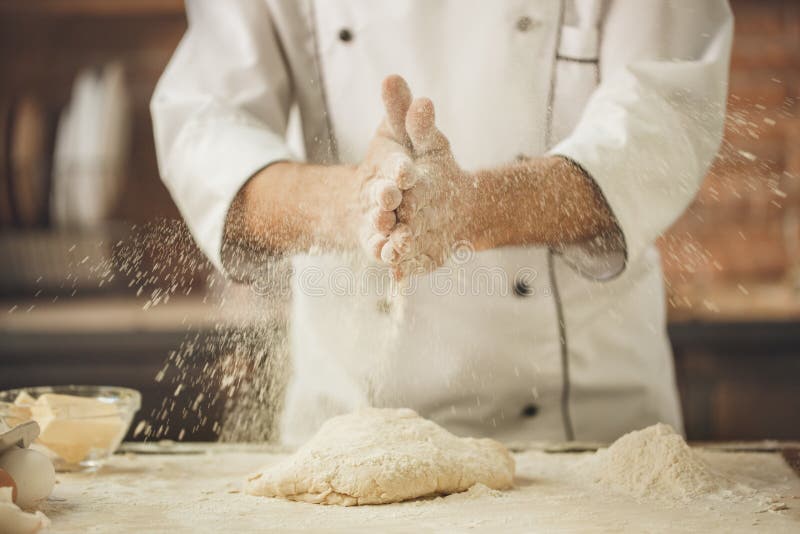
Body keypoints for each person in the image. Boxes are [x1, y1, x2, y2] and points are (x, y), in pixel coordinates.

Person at [152, 0, 733, 446]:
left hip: (585, 429)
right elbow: (206, 127)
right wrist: (355, 202)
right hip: (346, 426)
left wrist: (470, 208)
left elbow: (666, 113)